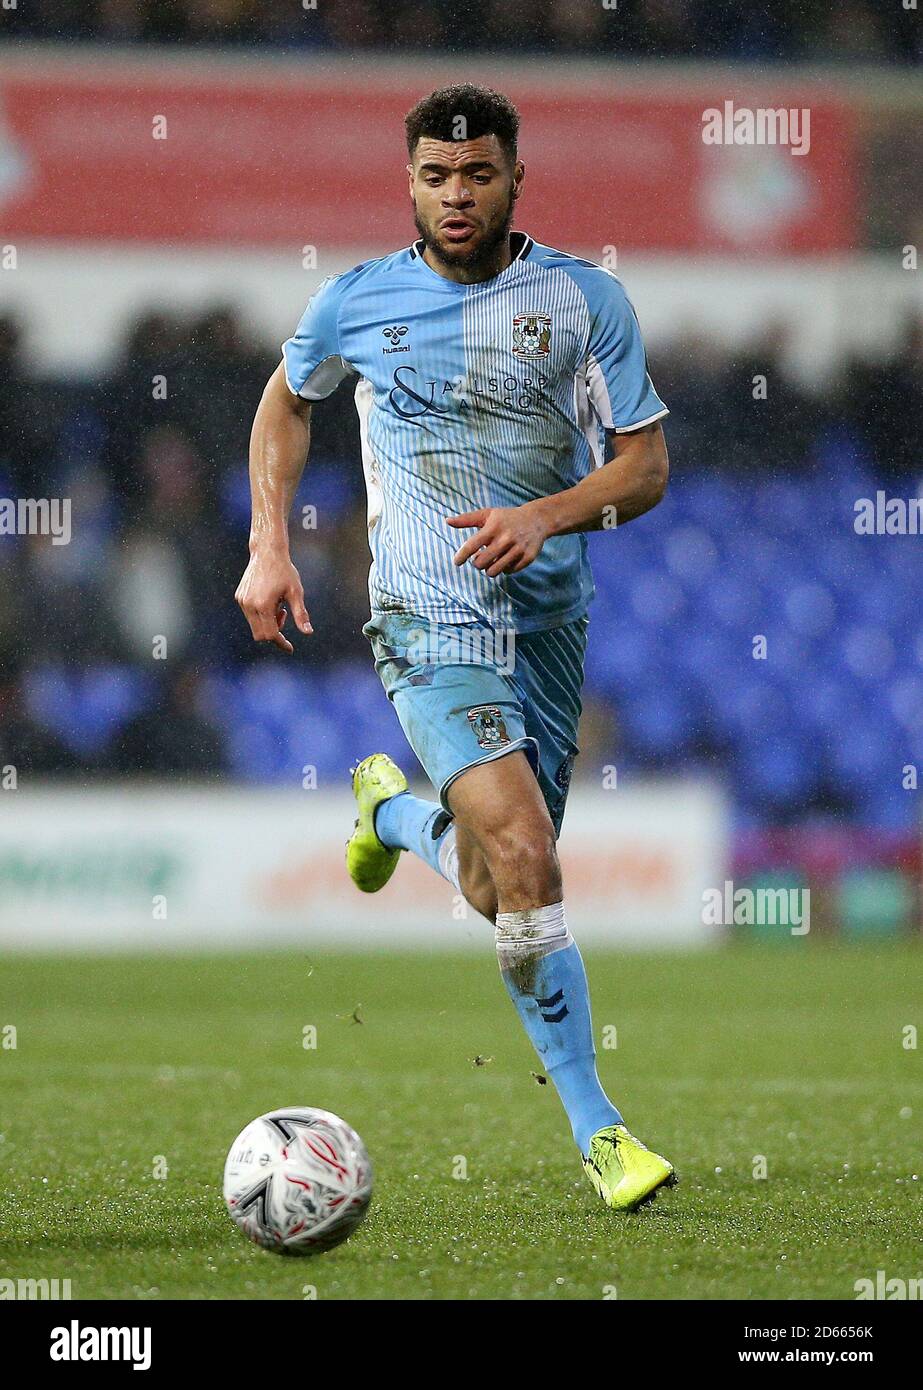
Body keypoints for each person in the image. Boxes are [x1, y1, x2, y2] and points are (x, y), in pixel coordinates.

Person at [236, 84, 674, 1211]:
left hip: (547, 615)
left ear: (515, 177)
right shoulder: (356, 302)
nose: (456, 195)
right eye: (435, 176)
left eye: (477, 174)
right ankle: (601, 1129)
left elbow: (643, 467)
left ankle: (388, 813)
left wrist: (546, 514)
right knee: (528, 855)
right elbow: (288, 401)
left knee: (498, 884)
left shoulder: (582, 301)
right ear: (410, 184)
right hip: (426, 618)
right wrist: (268, 545)